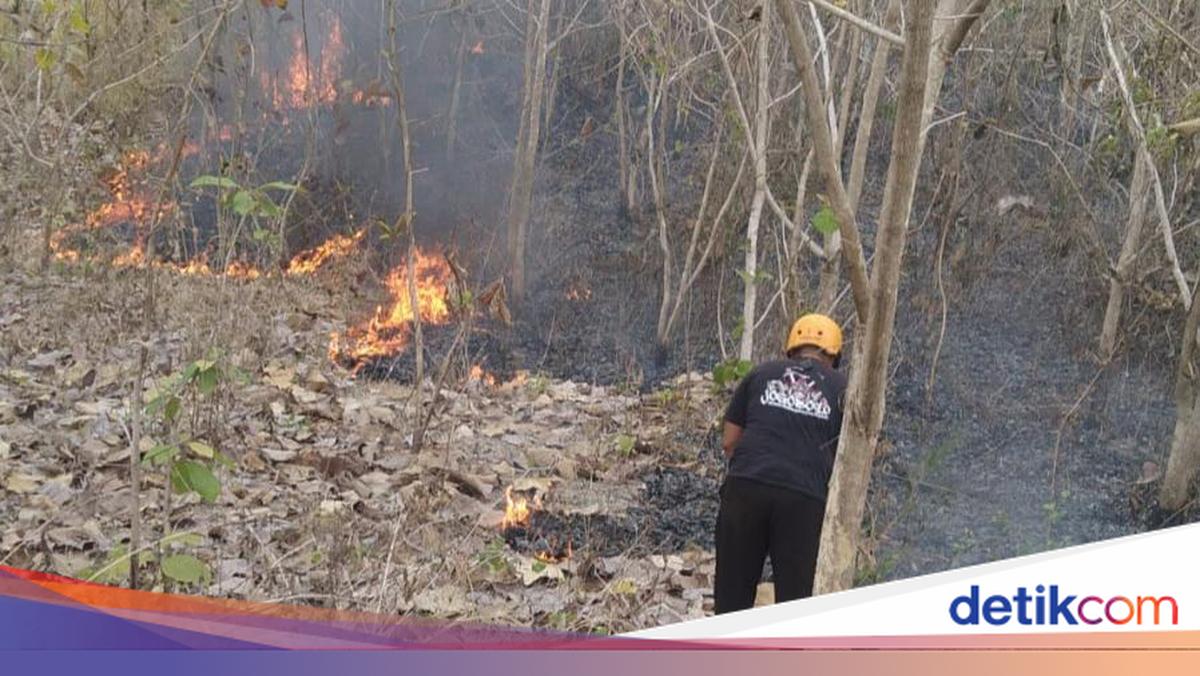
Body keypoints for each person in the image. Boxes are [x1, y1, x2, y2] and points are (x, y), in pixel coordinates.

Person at [714, 313, 847, 614]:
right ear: (834, 355)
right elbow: (849, 455)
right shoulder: (842, 387)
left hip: (747, 486)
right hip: (805, 498)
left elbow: (729, 441)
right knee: (795, 601)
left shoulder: (761, 373)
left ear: (791, 348)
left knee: (731, 598)